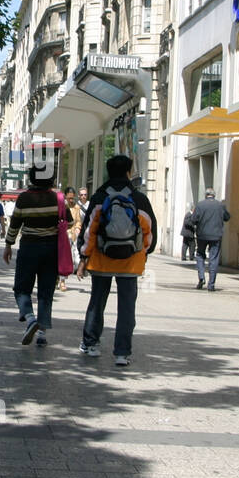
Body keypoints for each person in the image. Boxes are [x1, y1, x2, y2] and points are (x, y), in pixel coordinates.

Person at [77, 154, 156, 367]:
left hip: (101, 260)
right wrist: (141, 253)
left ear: (108, 172)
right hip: (130, 263)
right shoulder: (139, 199)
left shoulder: (99, 197)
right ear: (129, 172)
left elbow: (89, 232)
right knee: (127, 308)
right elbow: (150, 233)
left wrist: (84, 256)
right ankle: (122, 353)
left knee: (97, 303)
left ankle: (91, 344)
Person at [4, 165, 69, 347]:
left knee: (21, 288)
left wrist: (8, 245)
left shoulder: (24, 198)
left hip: (29, 247)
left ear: (32, 178)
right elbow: (69, 222)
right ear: (51, 179)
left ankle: (30, 318)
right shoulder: (58, 198)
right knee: (46, 292)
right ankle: (41, 334)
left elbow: (15, 224)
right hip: (51, 248)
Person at [192, 188, 230, 291]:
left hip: (202, 235)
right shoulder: (220, 205)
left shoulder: (200, 205)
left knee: (200, 255)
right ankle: (211, 284)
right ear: (214, 195)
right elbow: (227, 217)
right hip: (216, 236)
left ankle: (201, 277)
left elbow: (193, 219)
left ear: (206, 195)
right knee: (214, 258)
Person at [58, 185, 83, 292]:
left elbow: (78, 221)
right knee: (61, 259)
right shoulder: (61, 206)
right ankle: (61, 281)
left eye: (73, 198)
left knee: (71, 260)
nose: (71, 200)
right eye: (69, 198)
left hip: (72, 236)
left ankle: (62, 279)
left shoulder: (77, 207)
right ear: (65, 196)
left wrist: (77, 228)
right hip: (62, 235)